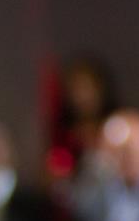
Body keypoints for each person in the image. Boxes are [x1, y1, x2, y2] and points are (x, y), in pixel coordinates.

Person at [46, 54, 119, 185]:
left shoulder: (116, 129)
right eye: (76, 89)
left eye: (87, 88)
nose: (81, 96)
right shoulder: (63, 135)